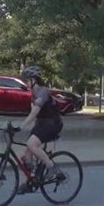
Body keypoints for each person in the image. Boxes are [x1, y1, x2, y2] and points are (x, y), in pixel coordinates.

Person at [14, 65, 67, 194]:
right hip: (42, 123)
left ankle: (51, 167)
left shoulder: (42, 91)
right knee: (26, 156)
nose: (25, 83)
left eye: (26, 80)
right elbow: (34, 115)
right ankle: (30, 182)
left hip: (53, 124)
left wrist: (20, 127)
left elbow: (34, 113)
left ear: (34, 80)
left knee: (32, 144)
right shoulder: (33, 93)